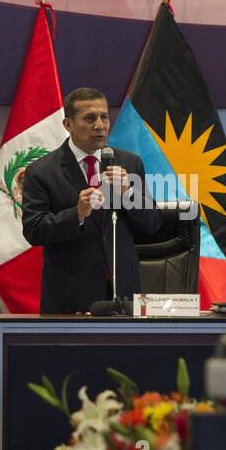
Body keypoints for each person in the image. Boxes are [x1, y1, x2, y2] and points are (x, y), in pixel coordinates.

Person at [21, 87, 161, 314]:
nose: (100, 125)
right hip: (70, 295)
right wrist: (76, 214)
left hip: (122, 293)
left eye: (104, 116)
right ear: (68, 125)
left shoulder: (129, 163)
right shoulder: (42, 171)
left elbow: (152, 223)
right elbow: (33, 230)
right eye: (89, 118)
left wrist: (128, 194)